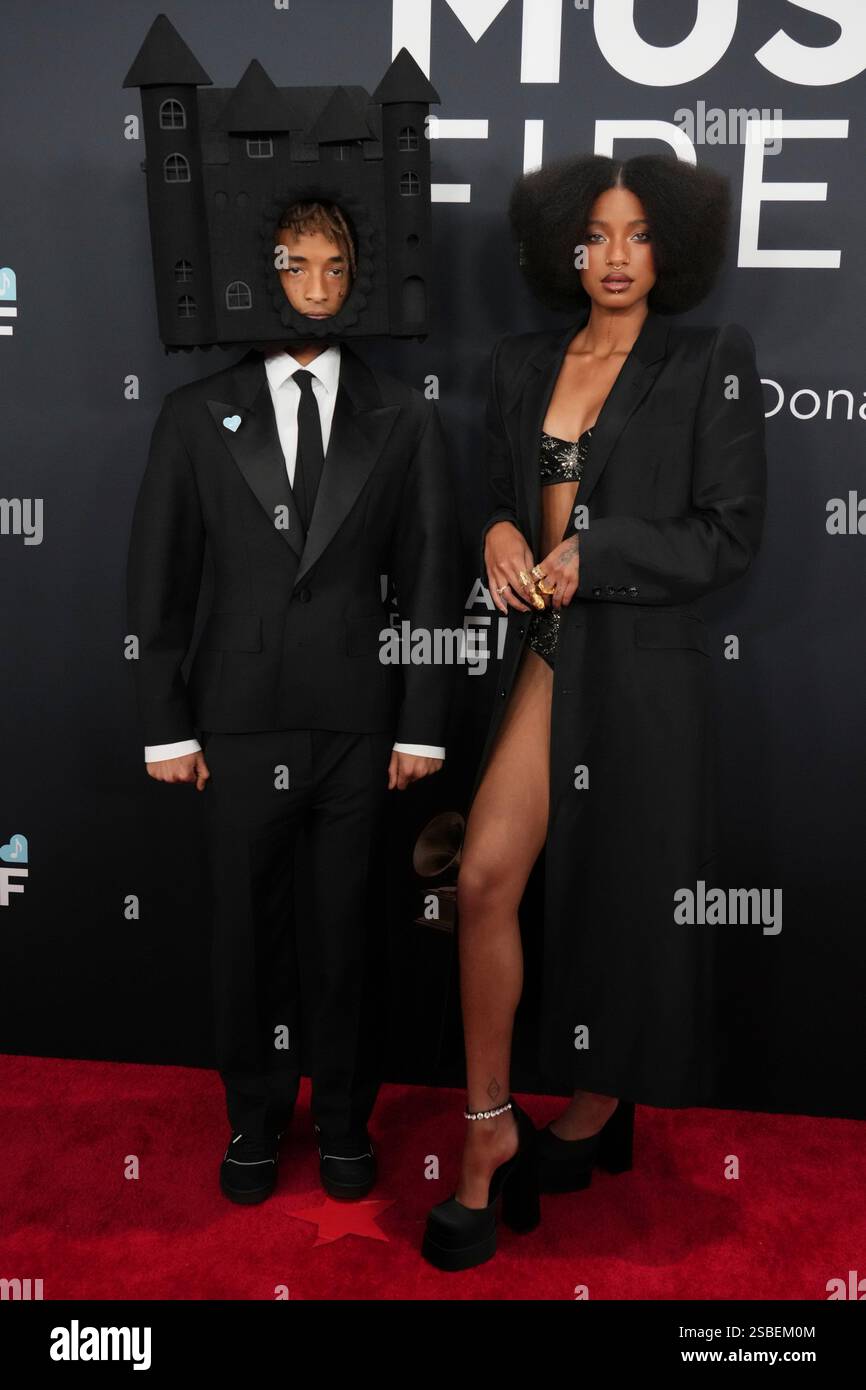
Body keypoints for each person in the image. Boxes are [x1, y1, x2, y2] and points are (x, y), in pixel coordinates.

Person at [422, 153, 767, 1270]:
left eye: (635, 235)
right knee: (482, 879)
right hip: (539, 653)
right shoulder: (521, 361)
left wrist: (592, 553)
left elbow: (726, 532)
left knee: (616, 895)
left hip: (638, 668)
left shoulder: (707, 357)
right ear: (561, 248)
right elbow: (489, 495)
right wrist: (500, 537)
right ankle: (485, 1131)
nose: (614, 257)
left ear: (669, 244)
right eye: (594, 236)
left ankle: (599, 1102)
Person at [127, 199, 459, 1205]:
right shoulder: (193, 413)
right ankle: (256, 1117)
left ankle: (349, 1119)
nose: (315, 286)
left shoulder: (402, 413)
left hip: (360, 725)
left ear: (354, 276)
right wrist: (164, 722)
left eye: (332, 267)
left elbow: (432, 575)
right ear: (258, 272)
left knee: (347, 930)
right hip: (233, 720)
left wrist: (422, 721)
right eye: (294, 266)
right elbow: (158, 582)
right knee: (244, 933)